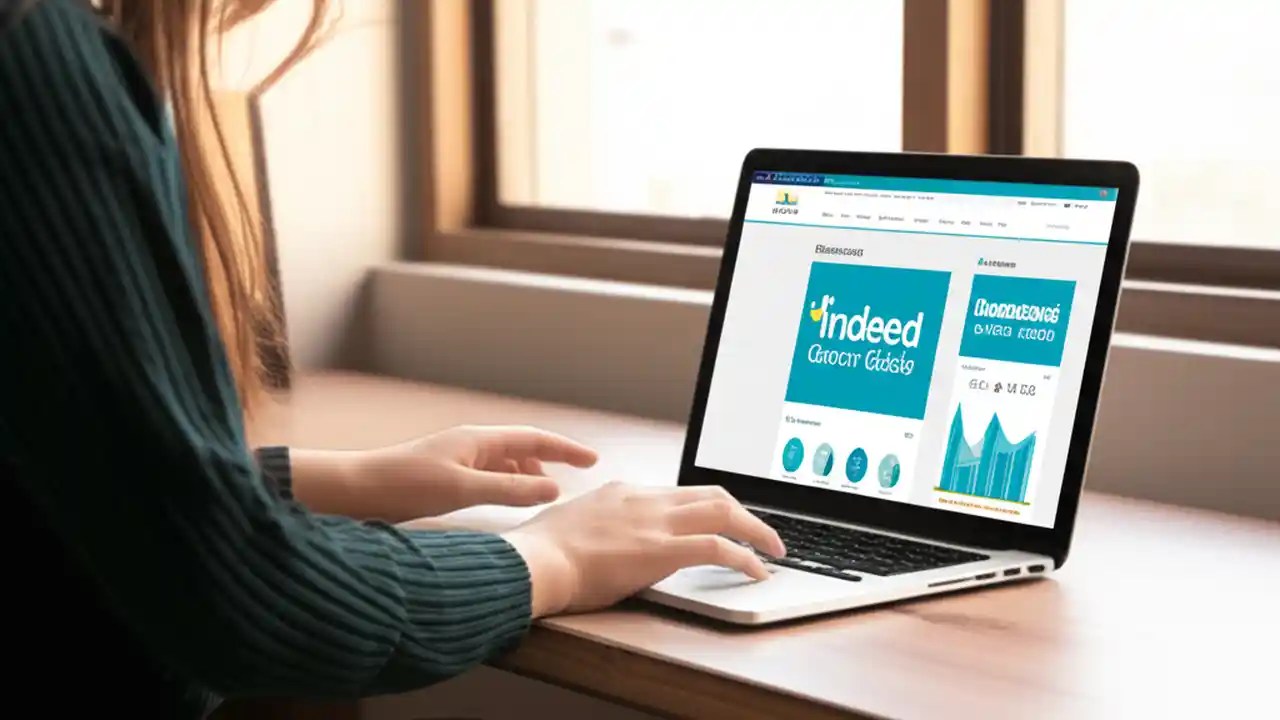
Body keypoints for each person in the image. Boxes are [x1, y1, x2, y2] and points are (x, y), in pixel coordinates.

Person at [0, 0, 784, 716]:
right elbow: (227, 597)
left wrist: (346, 480)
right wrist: (549, 560)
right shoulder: (38, 62)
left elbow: (77, 475)